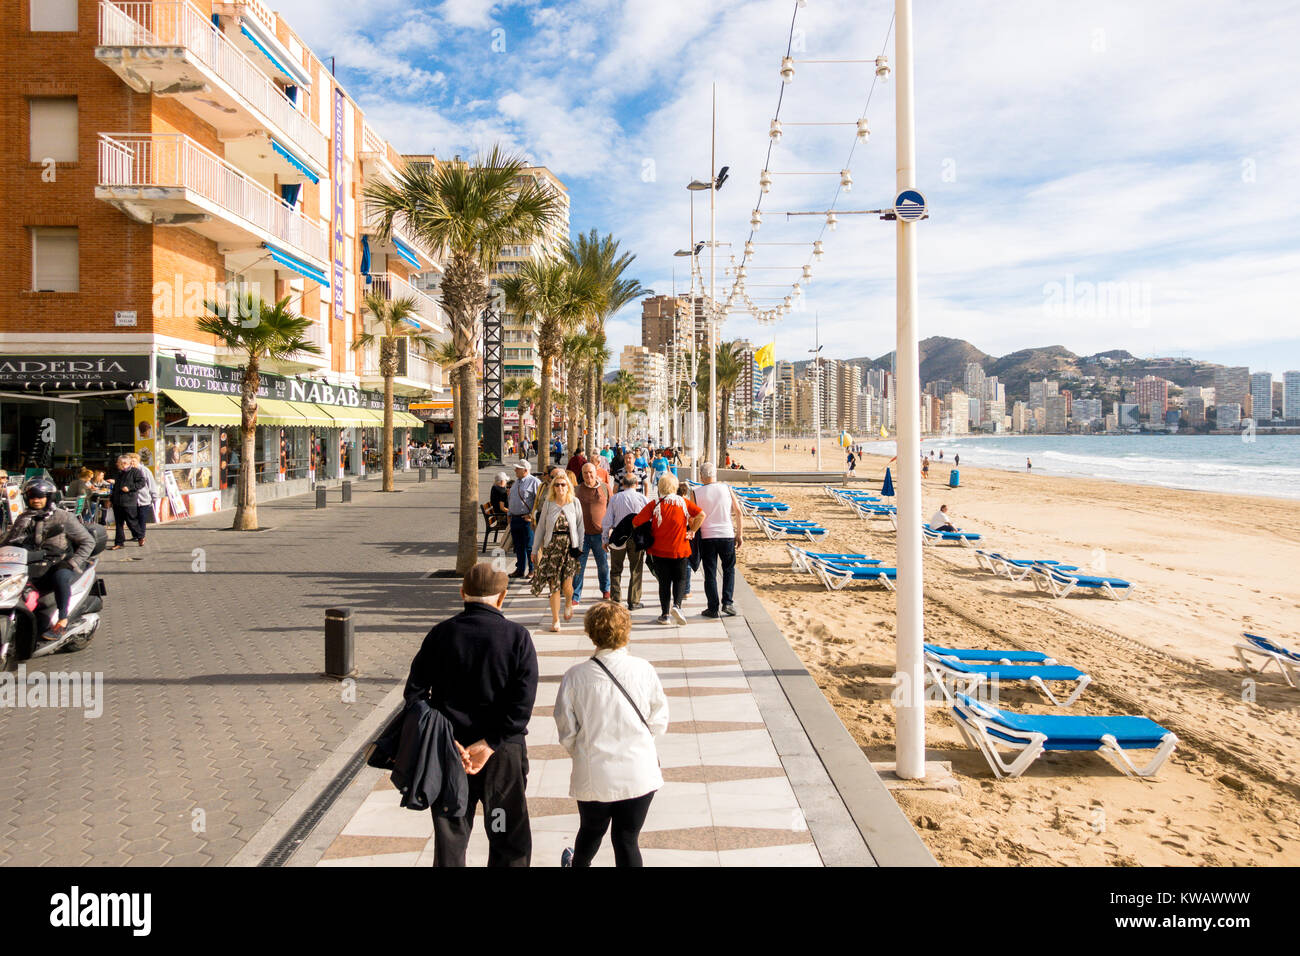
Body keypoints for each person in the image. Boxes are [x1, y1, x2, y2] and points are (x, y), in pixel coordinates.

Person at [403, 562, 538, 867]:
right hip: (502, 753)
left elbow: (415, 694)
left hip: (450, 755)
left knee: (452, 835)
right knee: (506, 836)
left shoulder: (440, 634)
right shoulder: (517, 637)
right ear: (501, 598)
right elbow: (522, 704)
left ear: (462, 593)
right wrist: (490, 743)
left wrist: (448, 741)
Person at [555, 602, 668, 867]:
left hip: (595, 772)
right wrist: (639, 741)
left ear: (590, 633)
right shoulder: (644, 669)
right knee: (627, 838)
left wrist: (583, 750)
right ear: (626, 631)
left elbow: (566, 730)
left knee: (591, 832)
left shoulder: (575, 676)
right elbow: (659, 719)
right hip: (638, 770)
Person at [0, 478, 94, 636]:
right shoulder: (24, 518)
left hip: (59, 562)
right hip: (32, 562)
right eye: (32, 497)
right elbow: (9, 541)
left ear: (48, 497)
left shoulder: (63, 517)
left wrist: (73, 562)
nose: (36, 500)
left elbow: (88, 541)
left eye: (40, 497)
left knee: (60, 577)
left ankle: (62, 619)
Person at [632, 473, 703, 626]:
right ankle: (677, 606)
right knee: (680, 579)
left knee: (664, 583)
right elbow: (701, 515)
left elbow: (636, 521)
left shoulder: (655, 503)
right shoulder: (684, 502)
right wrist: (692, 531)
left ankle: (665, 615)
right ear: (675, 486)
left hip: (659, 550)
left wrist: (649, 528)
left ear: (661, 487)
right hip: (680, 548)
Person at [532, 470, 584, 631]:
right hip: (552, 546)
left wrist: (579, 548)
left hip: (569, 547)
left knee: (567, 585)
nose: (560, 487)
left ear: (568, 486)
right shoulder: (548, 504)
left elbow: (580, 527)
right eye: (557, 485)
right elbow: (540, 528)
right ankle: (555, 620)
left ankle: (568, 602)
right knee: (553, 585)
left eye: (563, 484)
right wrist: (535, 550)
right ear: (553, 487)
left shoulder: (574, 502)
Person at [693, 462, 743, 618]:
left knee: (710, 573)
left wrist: (692, 532)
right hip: (726, 534)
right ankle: (727, 602)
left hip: (707, 536)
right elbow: (738, 512)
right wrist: (739, 534)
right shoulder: (727, 488)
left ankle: (713, 608)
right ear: (715, 474)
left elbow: (693, 517)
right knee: (728, 570)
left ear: (701, 476)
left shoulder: (696, 492)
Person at [602, 472, 648, 610]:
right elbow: (648, 520)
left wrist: (605, 539)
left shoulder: (615, 498)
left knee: (616, 570)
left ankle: (616, 600)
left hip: (618, 537)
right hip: (636, 537)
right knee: (636, 569)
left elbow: (607, 521)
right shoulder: (642, 499)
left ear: (622, 484)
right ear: (636, 484)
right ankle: (633, 601)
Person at [573, 462, 611, 605]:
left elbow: (611, 508)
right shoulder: (577, 490)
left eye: (590, 472)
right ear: (581, 475)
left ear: (596, 473)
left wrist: (610, 529)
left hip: (600, 535)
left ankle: (605, 589)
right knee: (579, 566)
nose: (588, 475)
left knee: (602, 565)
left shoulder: (605, 488)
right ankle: (576, 595)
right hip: (582, 536)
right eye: (585, 473)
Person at [506, 461, 540, 579]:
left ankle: (532, 569)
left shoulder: (534, 482)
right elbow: (511, 499)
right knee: (518, 546)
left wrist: (532, 515)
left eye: (518, 469)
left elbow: (539, 501)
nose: (515, 470)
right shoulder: (516, 483)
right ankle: (520, 569)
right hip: (515, 519)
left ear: (525, 470)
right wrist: (509, 515)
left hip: (527, 520)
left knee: (530, 546)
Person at [109, 455, 146, 549]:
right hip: (117, 501)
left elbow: (141, 483)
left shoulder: (135, 471)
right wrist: (111, 499)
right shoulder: (118, 472)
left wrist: (130, 488)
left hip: (129, 501)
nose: (118, 465)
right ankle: (119, 543)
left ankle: (140, 536)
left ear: (126, 463)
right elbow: (116, 486)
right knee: (119, 523)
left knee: (131, 522)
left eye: (120, 463)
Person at [130, 453, 160, 541]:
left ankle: (141, 536)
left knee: (141, 519)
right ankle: (136, 535)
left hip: (144, 499)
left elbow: (151, 484)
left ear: (138, 461)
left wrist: (154, 497)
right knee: (133, 519)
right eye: (130, 461)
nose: (132, 463)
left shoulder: (144, 470)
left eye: (133, 461)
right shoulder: (128, 471)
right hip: (132, 500)